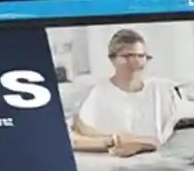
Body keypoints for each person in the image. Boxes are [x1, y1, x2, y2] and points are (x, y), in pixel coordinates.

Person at [70, 28, 187, 157]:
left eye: (140, 56)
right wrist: (113, 141)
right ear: (112, 59)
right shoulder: (97, 92)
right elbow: (79, 134)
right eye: (127, 56)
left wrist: (141, 144)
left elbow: (173, 134)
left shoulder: (162, 91)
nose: (135, 62)